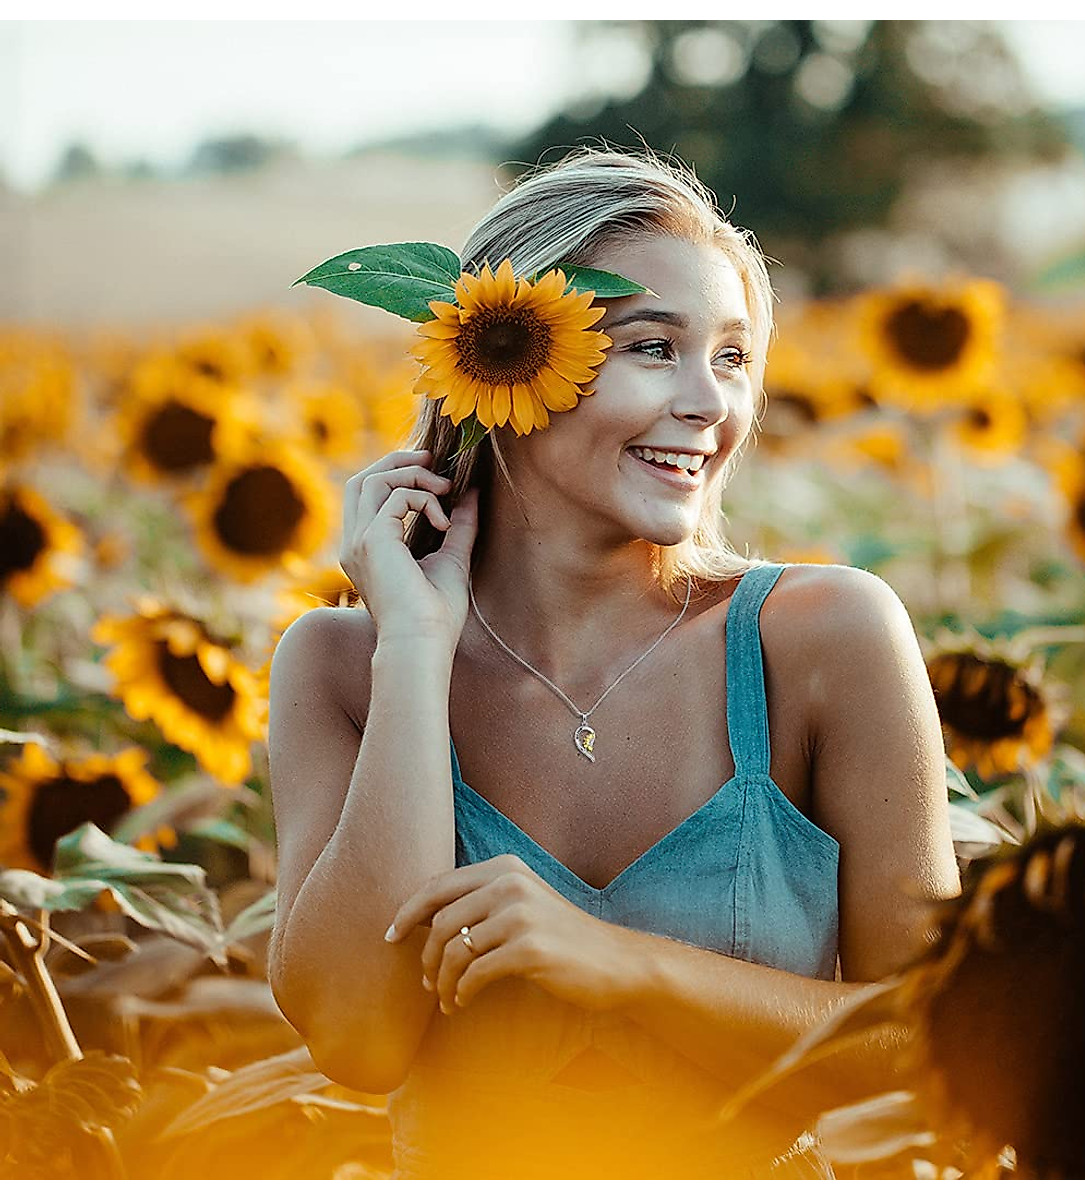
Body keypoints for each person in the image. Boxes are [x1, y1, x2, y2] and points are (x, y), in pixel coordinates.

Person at [265, 147, 961, 1179]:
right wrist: (414, 651)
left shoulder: (820, 638)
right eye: (653, 347)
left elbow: (928, 1043)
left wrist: (626, 966)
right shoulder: (338, 665)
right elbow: (358, 1039)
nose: (710, 404)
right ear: (503, 362)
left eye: (731, 357)